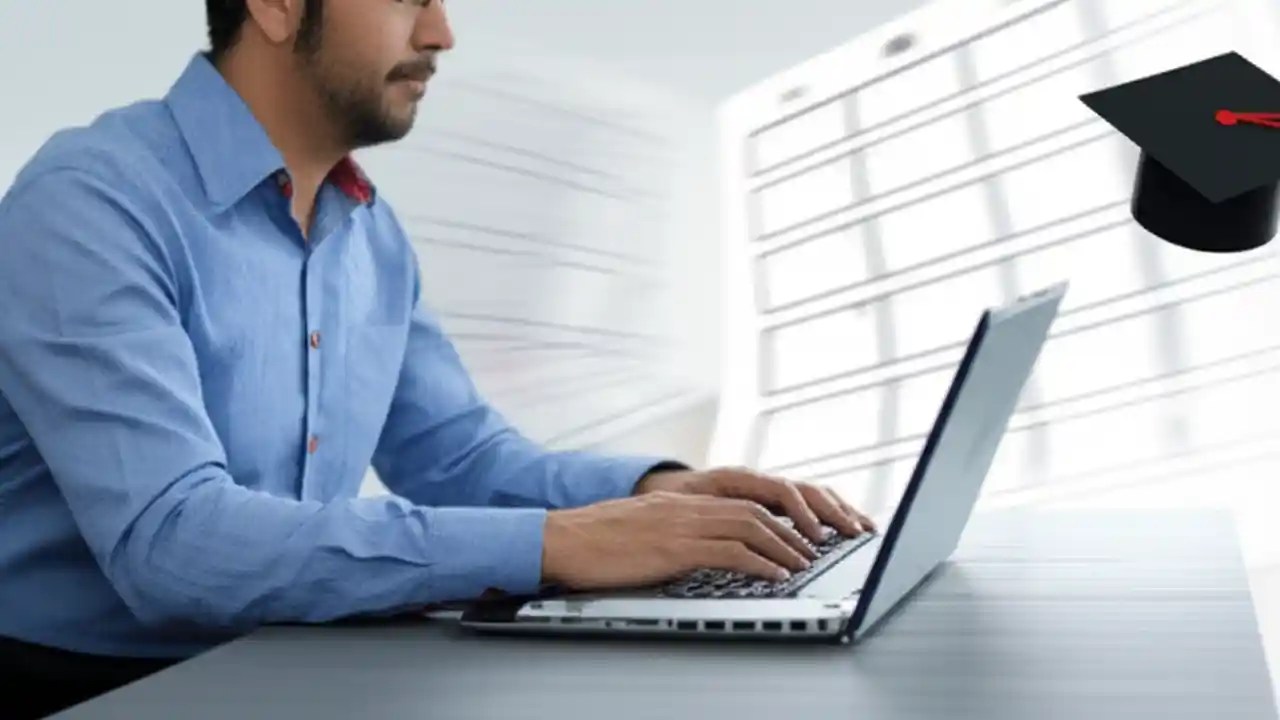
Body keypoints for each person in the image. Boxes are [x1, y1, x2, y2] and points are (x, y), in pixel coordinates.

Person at [0, 1, 875, 716]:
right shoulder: (92, 205)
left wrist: (655, 495)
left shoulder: (369, 235)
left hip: (283, 665)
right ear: (273, 6)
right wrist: (559, 543)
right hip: (82, 686)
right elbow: (175, 544)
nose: (440, 33)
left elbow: (460, 458)